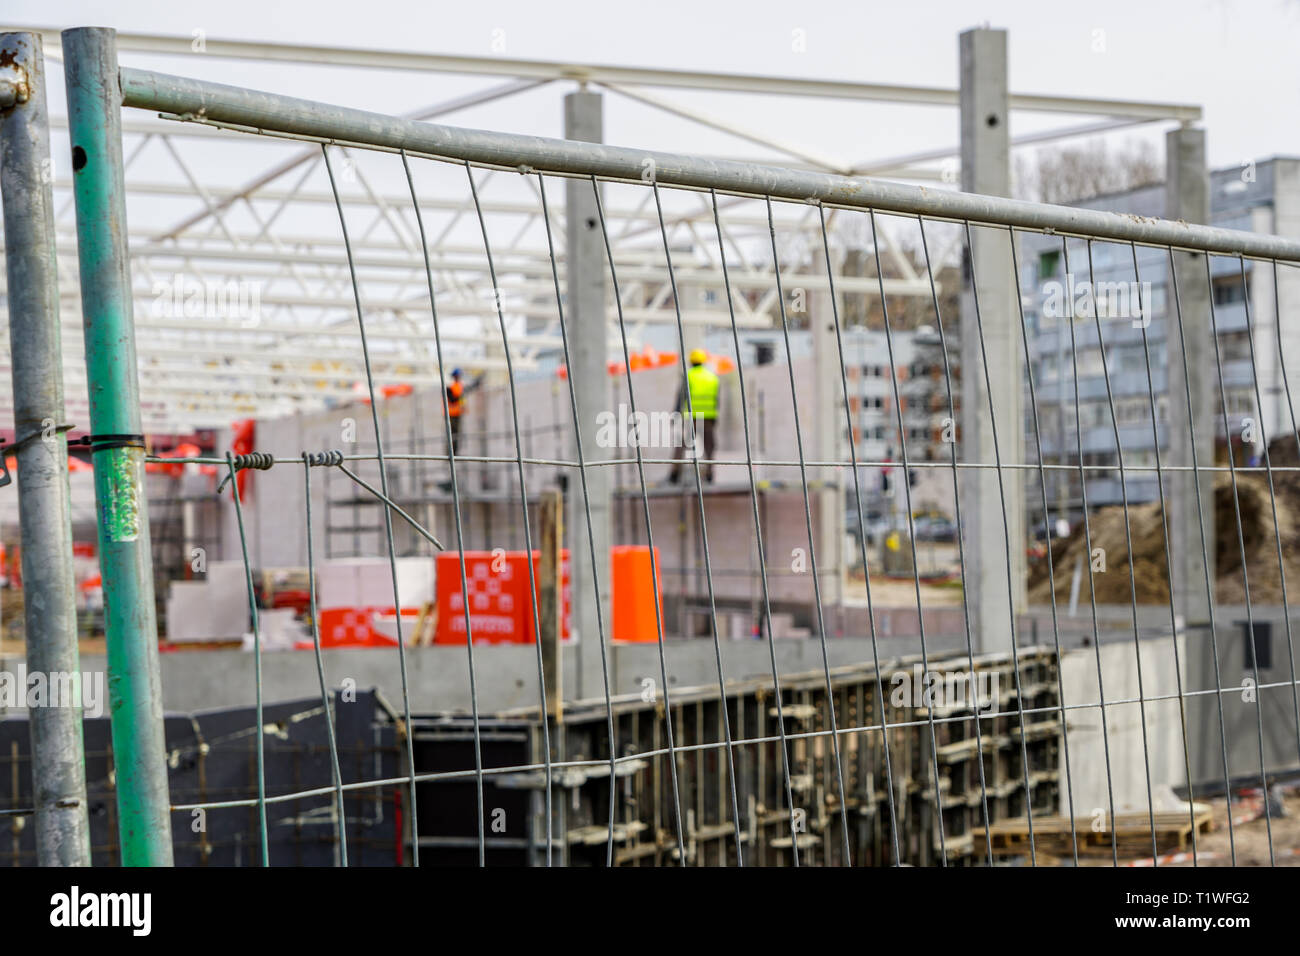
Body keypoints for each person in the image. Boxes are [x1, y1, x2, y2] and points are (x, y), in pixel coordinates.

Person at [668, 349, 719, 484]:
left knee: (682, 445)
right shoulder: (712, 377)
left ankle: (675, 473)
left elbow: (681, 396)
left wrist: (676, 414)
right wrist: (715, 419)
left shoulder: (688, 376)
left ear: (691, 362)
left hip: (692, 417)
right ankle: (709, 473)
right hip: (708, 417)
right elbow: (717, 400)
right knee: (710, 446)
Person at [444, 367, 483, 458]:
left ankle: (454, 453)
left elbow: (467, 390)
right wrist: (461, 395)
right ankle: (451, 454)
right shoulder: (450, 387)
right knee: (452, 434)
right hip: (451, 414)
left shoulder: (459, 386)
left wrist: (476, 384)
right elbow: (453, 399)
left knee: (456, 434)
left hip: (457, 413)